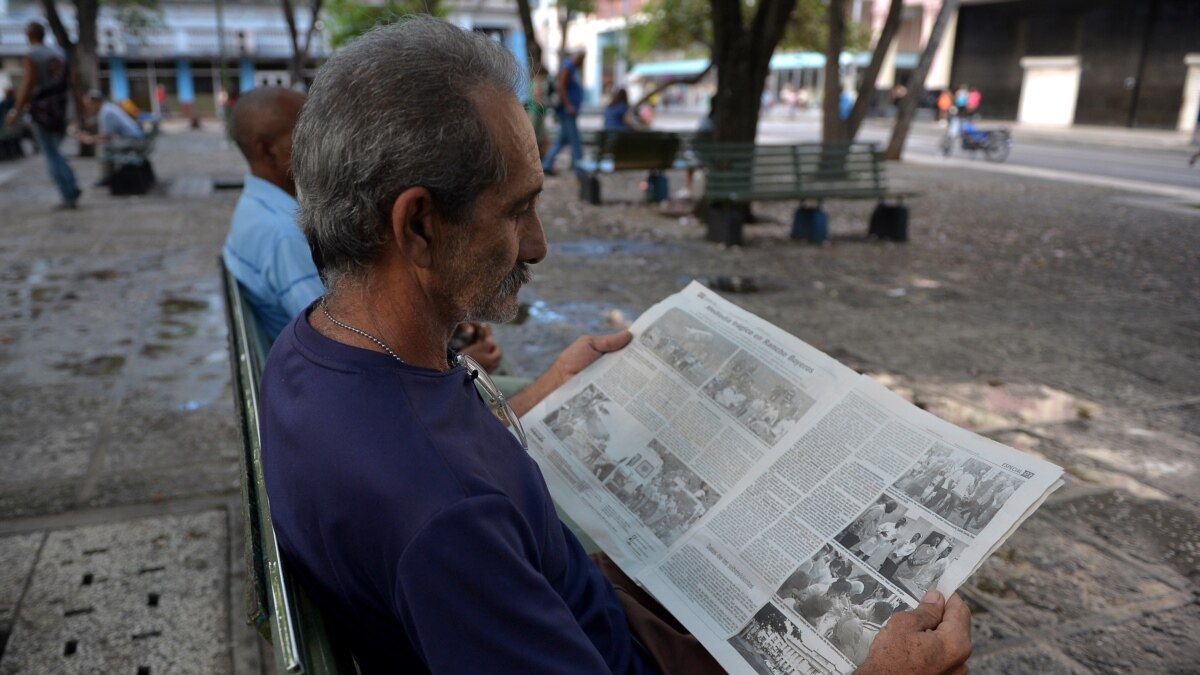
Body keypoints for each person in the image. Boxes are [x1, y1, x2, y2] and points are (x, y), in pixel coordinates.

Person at [261, 16, 971, 674]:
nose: (537, 244)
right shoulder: (447, 519)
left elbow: (440, 449)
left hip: (591, 605)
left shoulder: (313, 348)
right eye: (517, 209)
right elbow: (449, 504)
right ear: (418, 225)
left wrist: (547, 390)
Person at [222, 86, 504, 374]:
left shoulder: (256, 210)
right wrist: (459, 368)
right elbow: (343, 351)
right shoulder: (283, 234)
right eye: (304, 134)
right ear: (266, 150)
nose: (320, 143)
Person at [5, 21, 80, 209]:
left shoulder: (32, 54)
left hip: (43, 111)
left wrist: (16, 112)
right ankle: (71, 185)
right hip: (62, 107)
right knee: (56, 150)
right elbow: (72, 82)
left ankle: (68, 193)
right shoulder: (60, 52)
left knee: (51, 153)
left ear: (28, 35)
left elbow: (28, 85)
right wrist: (78, 107)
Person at [78, 90, 145, 188]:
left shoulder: (106, 113)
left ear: (95, 102)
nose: (88, 107)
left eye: (89, 104)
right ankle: (109, 176)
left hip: (133, 141)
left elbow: (106, 137)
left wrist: (88, 139)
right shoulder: (108, 108)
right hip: (136, 139)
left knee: (103, 146)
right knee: (106, 145)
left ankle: (107, 177)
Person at [542, 50, 585, 176]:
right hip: (566, 112)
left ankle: (547, 164)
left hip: (568, 111)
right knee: (575, 140)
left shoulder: (571, 67)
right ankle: (579, 168)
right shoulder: (568, 67)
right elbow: (561, 87)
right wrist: (568, 105)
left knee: (562, 140)